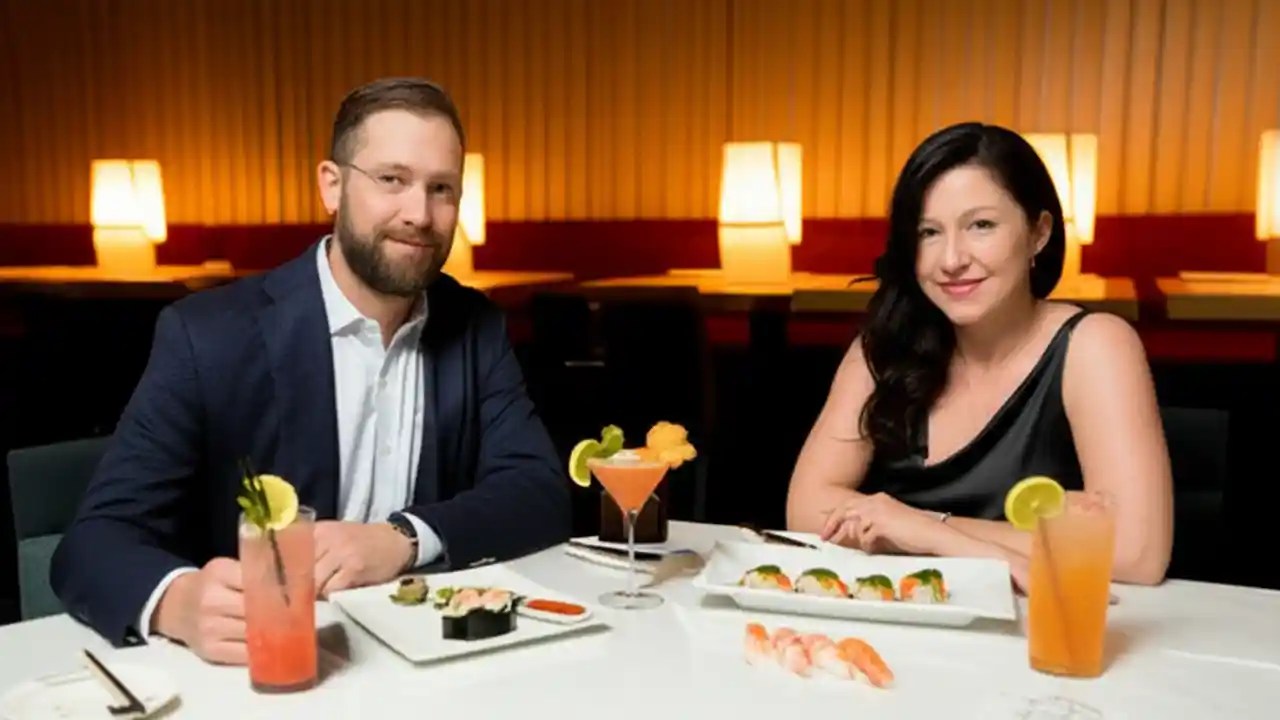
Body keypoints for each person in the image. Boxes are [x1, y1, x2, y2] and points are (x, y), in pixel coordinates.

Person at [51, 77, 571, 660]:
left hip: (425, 662)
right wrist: (180, 602)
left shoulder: (475, 325)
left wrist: (400, 538)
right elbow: (92, 543)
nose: (419, 214)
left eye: (441, 188)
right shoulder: (208, 336)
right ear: (332, 185)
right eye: (392, 180)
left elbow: (539, 494)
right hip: (260, 672)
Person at [785, 122, 1173, 587]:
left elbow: (1136, 553)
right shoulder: (885, 345)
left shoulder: (1094, 345)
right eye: (929, 232)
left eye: (981, 225)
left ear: (1038, 233)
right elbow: (806, 509)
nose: (951, 259)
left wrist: (927, 530)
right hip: (901, 624)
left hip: (1041, 635)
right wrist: (987, 546)